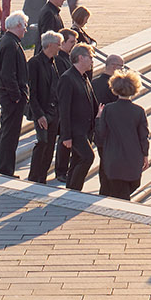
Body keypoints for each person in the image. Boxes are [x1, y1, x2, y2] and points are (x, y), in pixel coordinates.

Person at [94, 70, 149, 199]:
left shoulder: (108, 109)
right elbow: (143, 136)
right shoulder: (139, 111)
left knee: (118, 189)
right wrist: (145, 154)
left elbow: (101, 134)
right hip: (133, 157)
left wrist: (98, 119)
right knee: (128, 187)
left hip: (113, 156)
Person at [55, 44, 98, 191]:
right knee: (88, 157)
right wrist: (66, 136)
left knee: (77, 159)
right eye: (90, 57)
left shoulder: (83, 77)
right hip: (75, 130)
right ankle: (75, 188)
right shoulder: (67, 78)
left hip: (85, 129)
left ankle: (72, 189)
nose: (92, 61)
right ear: (80, 58)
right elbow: (64, 109)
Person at [0, 13, 30, 177]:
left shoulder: (8, 41)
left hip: (8, 96)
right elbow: (8, 74)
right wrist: (16, 96)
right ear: (18, 25)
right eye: (24, 26)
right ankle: (5, 169)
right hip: (10, 98)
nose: (26, 30)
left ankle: (2, 167)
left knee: (7, 133)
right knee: (10, 135)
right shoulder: (10, 44)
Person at [25, 30, 63, 183]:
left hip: (54, 111)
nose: (60, 47)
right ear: (50, 45)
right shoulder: (34, 63)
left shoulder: (54, 62)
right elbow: (32, 92)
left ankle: (42, 177)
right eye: (58, 44)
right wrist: (39, 115)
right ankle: (34, 176)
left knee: (50, 146)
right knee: (42, 143)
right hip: (42, 111)